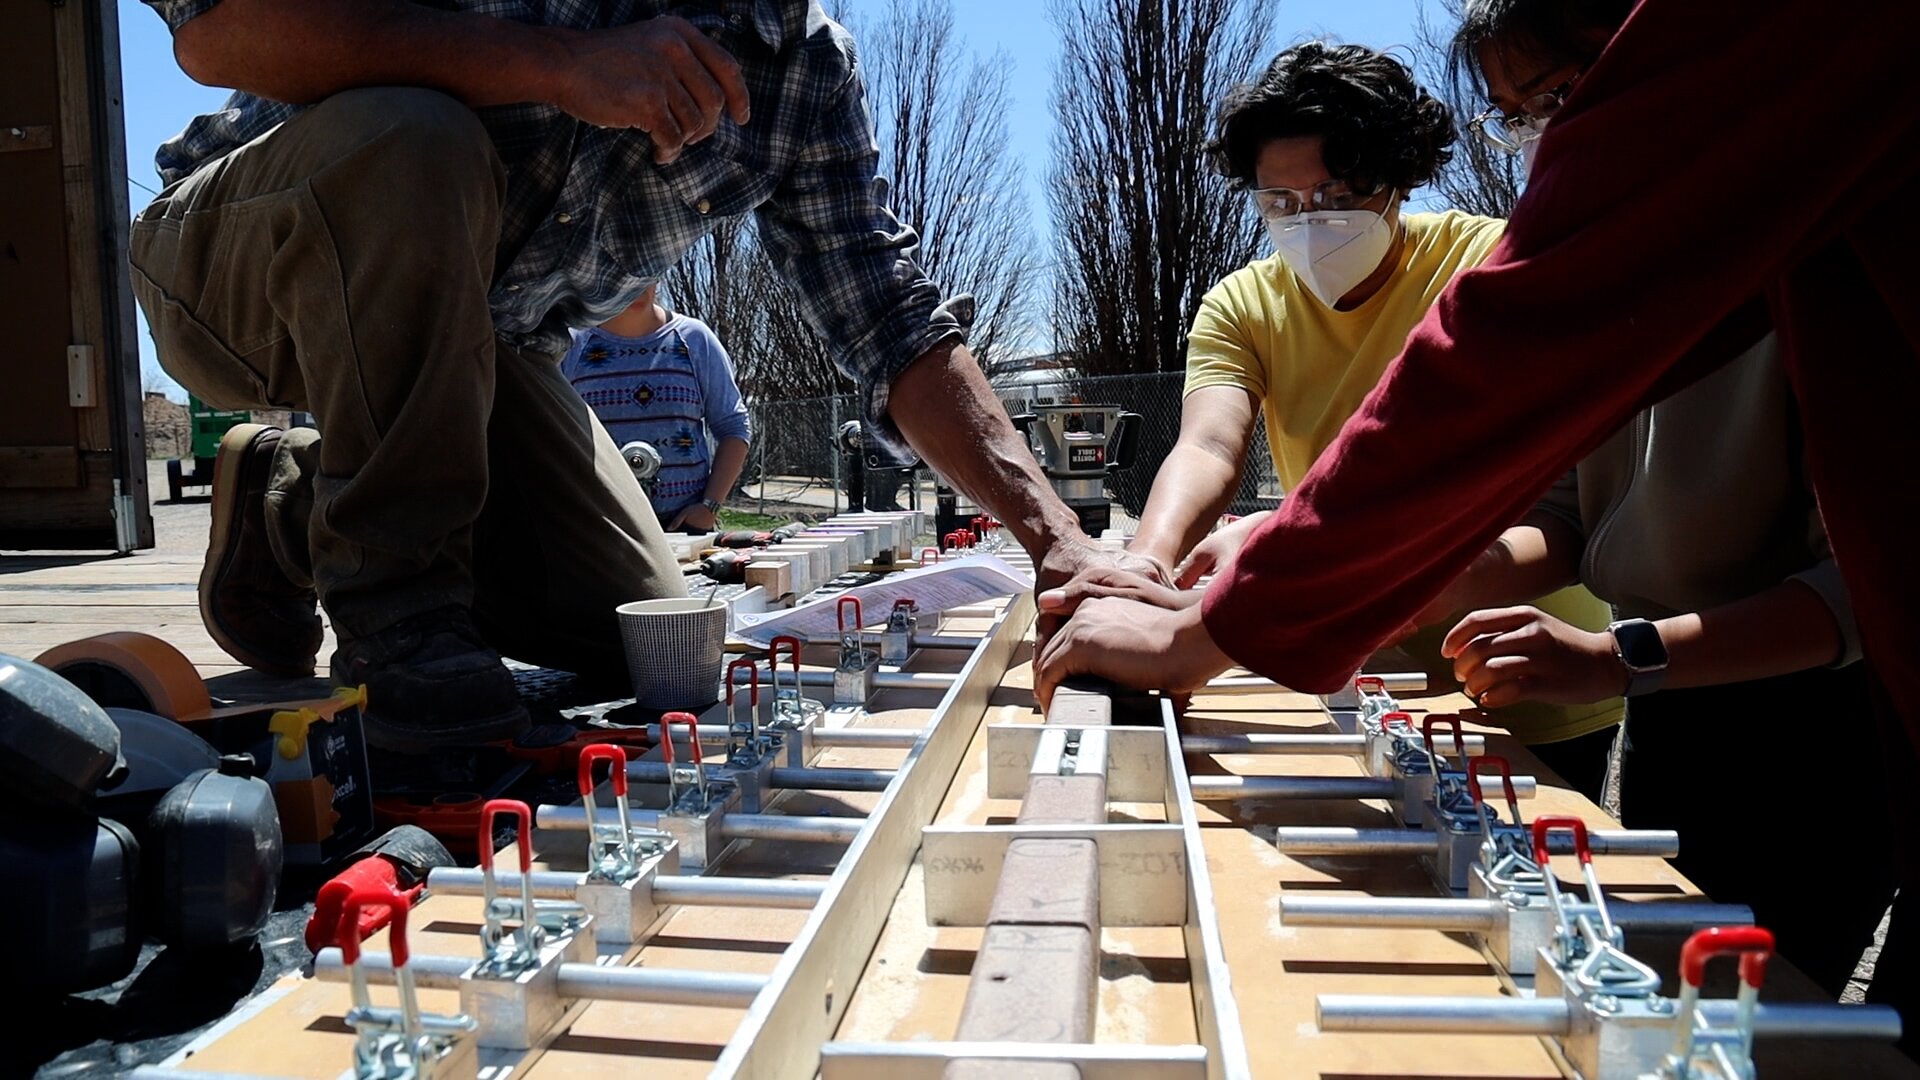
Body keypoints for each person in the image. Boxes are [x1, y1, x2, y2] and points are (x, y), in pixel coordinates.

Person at [1034, 0, 1920, 1042]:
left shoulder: (1741, 141)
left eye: (1565, 96)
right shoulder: (1729, 205)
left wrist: (1228, 623)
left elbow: (1496, 376)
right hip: (1671, 709)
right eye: (1523, 116)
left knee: (1763, 1024)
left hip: (1809, 721)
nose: (1556, 138)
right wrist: (1286, 571)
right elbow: (1553, 497)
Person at [135, 0, 1147, 753]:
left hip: (476, 349)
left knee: (642, 627)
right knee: (416, 137)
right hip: (240, 266)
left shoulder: (802, 73)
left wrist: (1057, 541)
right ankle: (395, 614)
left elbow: (892, 322)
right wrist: (556, 64)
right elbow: (220, 31)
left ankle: (290, 501)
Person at [1127, 41, 1621, 791]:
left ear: (1398, 179)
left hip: (1524, 674)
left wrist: (1285, 553)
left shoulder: (1487, 261)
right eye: (1279, 203)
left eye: (1336, 195)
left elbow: (1550, 506)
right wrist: (1147, 562)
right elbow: (1208, 447)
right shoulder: (1242, 304)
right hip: (1363, 670)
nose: (1309, 221)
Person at [563, 284, 750, 534]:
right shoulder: (571, 344)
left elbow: (733, 426)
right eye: (623, 275)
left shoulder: (694, 338)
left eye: (644, 273)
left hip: (684, 528)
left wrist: (709, 507)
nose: (636, 284)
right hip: (599, 530)